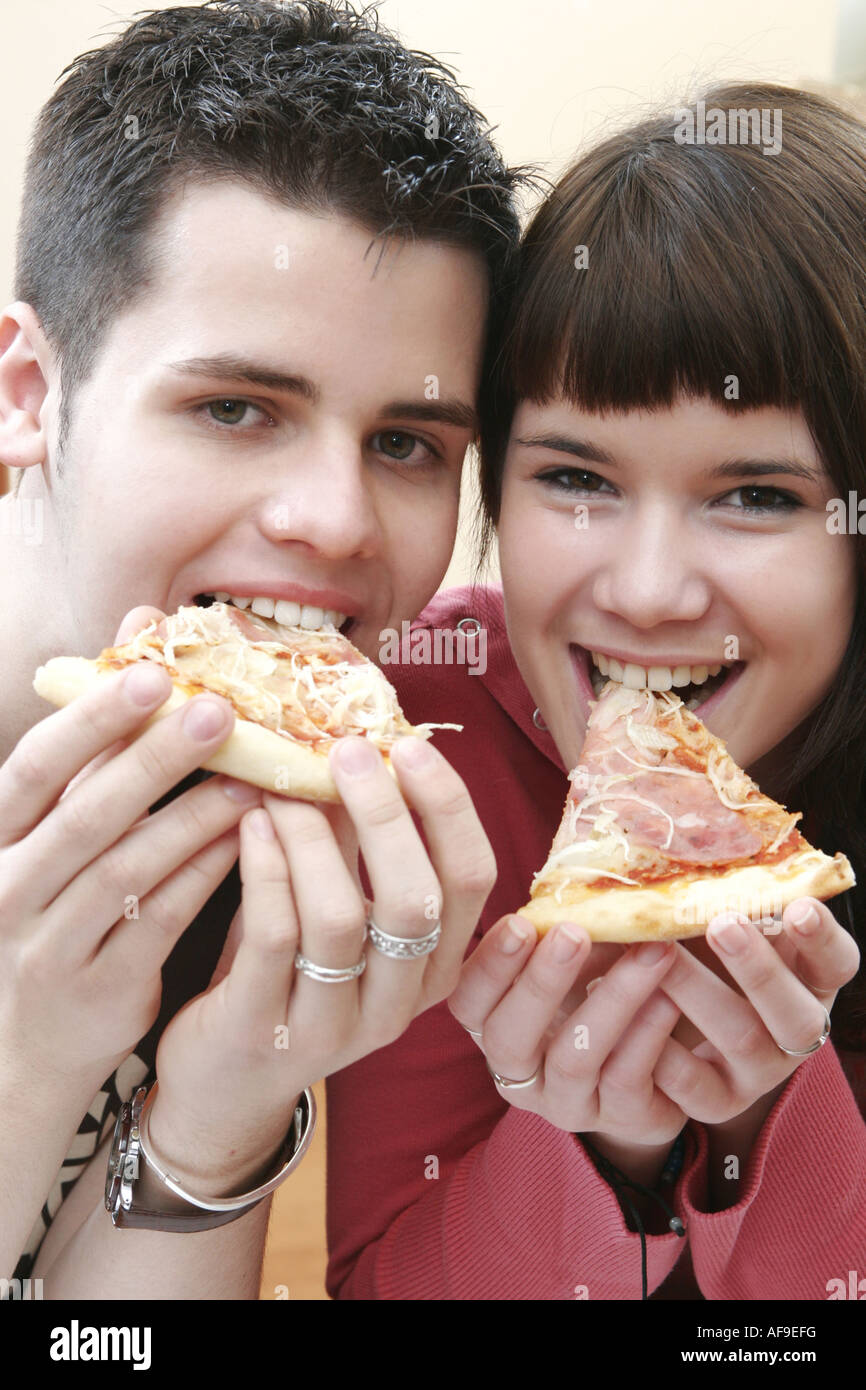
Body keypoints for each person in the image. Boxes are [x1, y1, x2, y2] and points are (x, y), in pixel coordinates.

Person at [0, 0, 530, 1297]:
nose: (337, 521)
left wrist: (215, 1120)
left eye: (407, 443)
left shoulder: (265, 815)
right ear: (27, 394)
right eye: (236, 407)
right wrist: (24, 1064)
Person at [325, 81, 866, 1300]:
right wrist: (603, 1150)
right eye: (575, 475)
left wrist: (761, 1130)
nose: (648, 589)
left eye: (757, 495)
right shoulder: (421, 738)